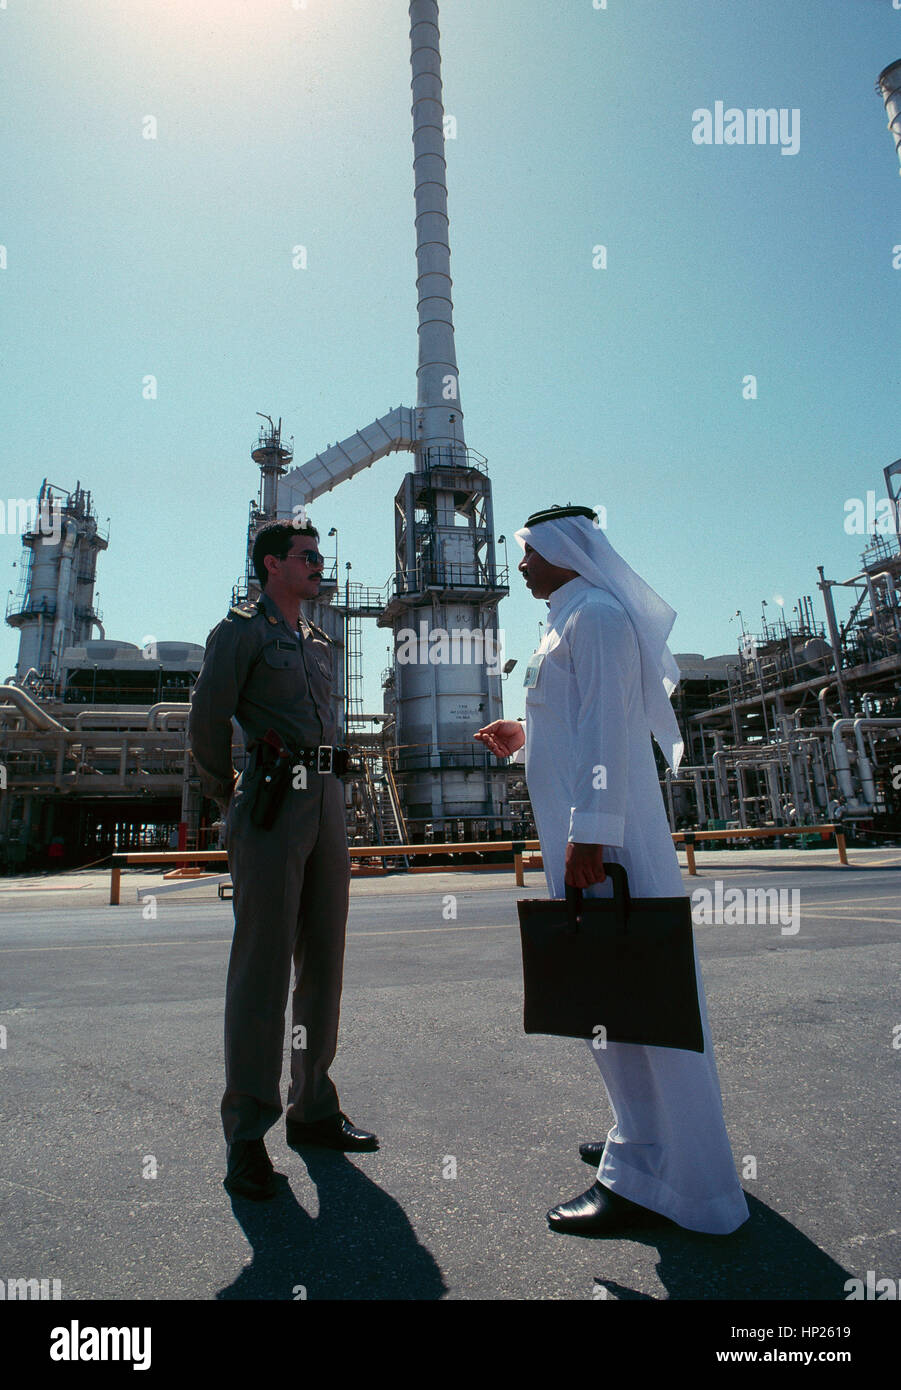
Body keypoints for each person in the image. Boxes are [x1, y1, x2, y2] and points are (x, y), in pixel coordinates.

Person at [475, 504, 749, 1237]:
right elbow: (583, 723)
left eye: (530, 552)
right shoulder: (570, 616)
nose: (522, 564)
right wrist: (527, 736)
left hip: (604, 847)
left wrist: (589, 837)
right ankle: (647, 1138)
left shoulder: (592, 616)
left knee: (633, 999)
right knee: (615, 997)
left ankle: (669, 1176)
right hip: (591, 840)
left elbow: (606, 732)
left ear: (570, 550)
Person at [189, 518, 377, 1202]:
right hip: (271, 801)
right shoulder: (239, 632)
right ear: (273, 565)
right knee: (263, 967)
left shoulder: (319, 641)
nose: (318, 566)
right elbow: (207, 718)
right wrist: (226, 792)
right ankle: (246, 1136)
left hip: (326, 799)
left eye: (318, 556)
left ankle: (313, 1108)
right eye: (307, 557)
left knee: (324, 959)